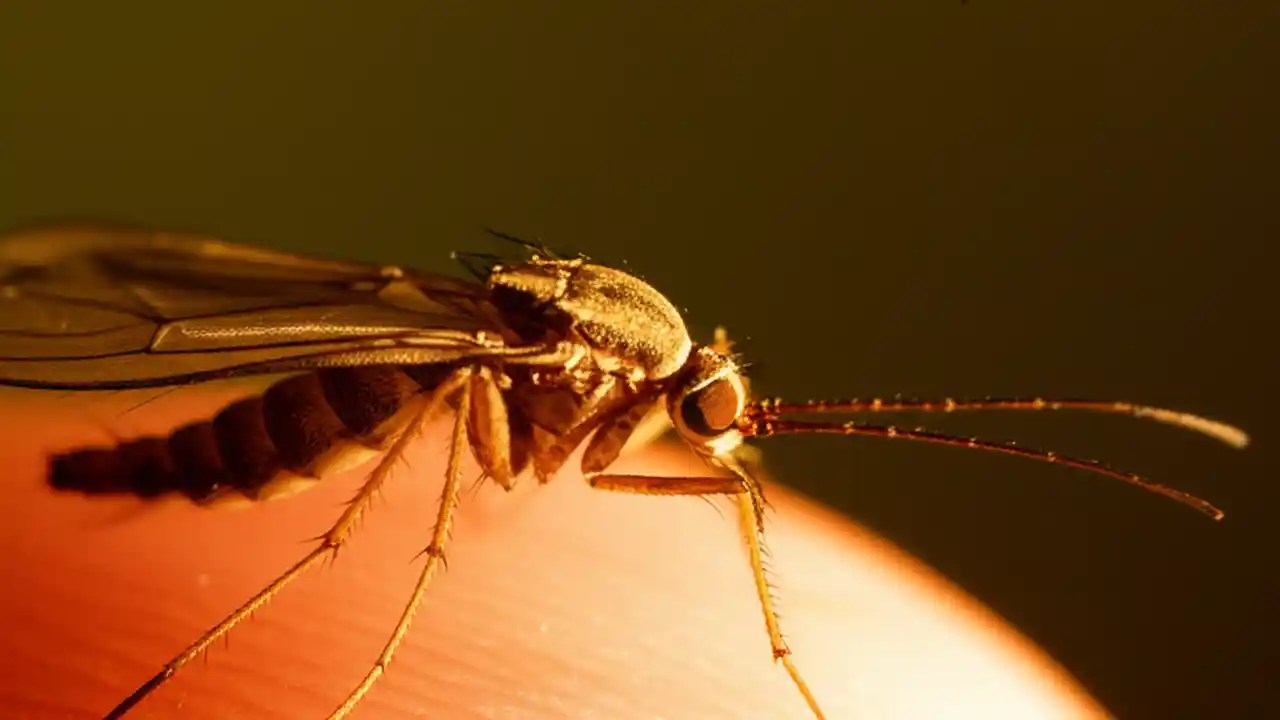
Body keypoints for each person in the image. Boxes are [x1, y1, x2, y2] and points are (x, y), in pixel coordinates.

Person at [0, 393, 1102, 719]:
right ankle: (364, 632)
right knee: (452, 388)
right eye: (709, 407)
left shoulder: (632, 394)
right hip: (348, 405)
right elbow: (480, 400)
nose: (709, 428)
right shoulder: (574, 378)